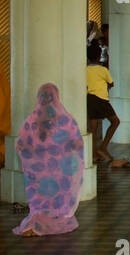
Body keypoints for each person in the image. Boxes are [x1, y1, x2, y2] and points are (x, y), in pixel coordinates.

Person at [13, 83, 85, 237]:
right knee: (54, 195)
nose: (46, 99)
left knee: (41, 196)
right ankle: (48, 221)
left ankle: (38, 223)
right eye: (44, 96)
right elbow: (77, 143)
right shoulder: (65, 119)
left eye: (47, 96)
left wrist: (37, 154)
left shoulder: (33, 119)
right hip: (56, 171)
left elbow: (20, 145)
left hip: (42, 171)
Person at [86, 41, 124, 166]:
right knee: (115, 121)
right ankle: (103, 147)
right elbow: (111, 83)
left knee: (93, 128)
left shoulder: (85, 69)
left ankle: (92, 155)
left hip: (90, 99)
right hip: (101, 99)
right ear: (98, 56)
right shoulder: (103, 69)